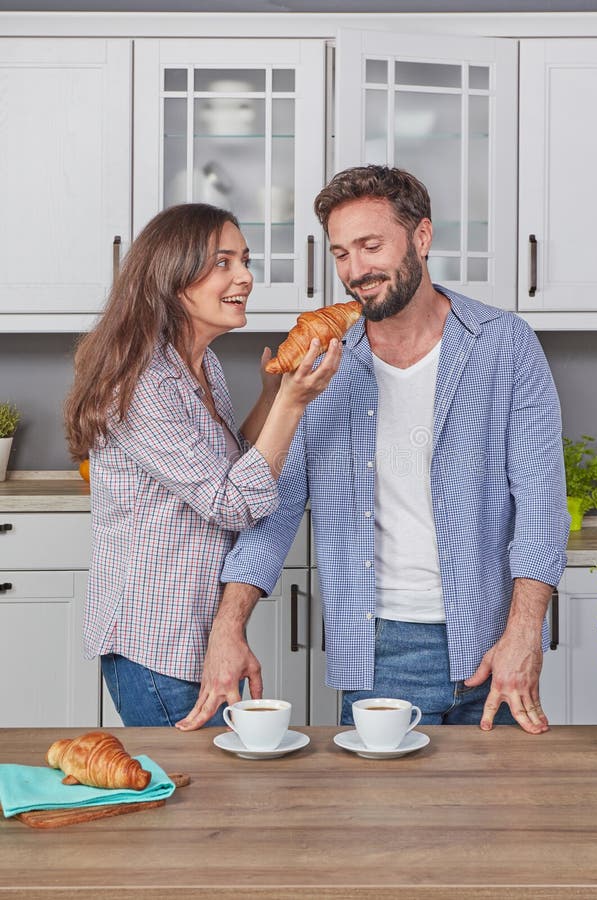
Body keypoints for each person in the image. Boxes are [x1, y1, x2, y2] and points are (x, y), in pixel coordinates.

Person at [179, 166, 569, 734]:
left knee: (494, 820)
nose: (355, 271)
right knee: (381, 823)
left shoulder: (505, 345)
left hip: (493, 641)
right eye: (341, 253)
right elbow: (275, 506)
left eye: (370, 246)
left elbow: (541, 505)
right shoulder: (321, 365)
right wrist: (228, 625)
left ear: (422, 237)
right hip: (376, 648)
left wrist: (525, 632)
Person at [64, 202, 341, 727]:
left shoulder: (199, 362)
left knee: (206, 798)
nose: (245, 277)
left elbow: (226, 468)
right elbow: (233, 504)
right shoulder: (140, 381)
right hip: (157, 643)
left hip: (197, 634)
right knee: (197, 800)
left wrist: (270, 397)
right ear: (171, 278)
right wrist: (292, 405)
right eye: (223, 262)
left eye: (245, 260)